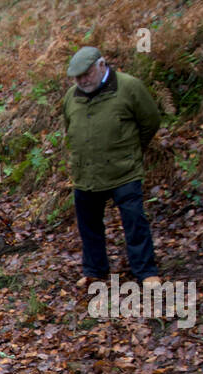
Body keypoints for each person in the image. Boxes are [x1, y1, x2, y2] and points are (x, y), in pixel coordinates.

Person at [61, 46, 162, 287]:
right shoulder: (71, 97)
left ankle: (146, 272)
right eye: (77, 77)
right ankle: (94, 269)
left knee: (134, 221)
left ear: (101, 65)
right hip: (86, 173)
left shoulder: (129, 87)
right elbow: (69, 127)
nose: (82, 80)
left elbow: (151, 121)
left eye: (87, 74)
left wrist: (130, 150)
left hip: (124, 171)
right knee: (88, 225)